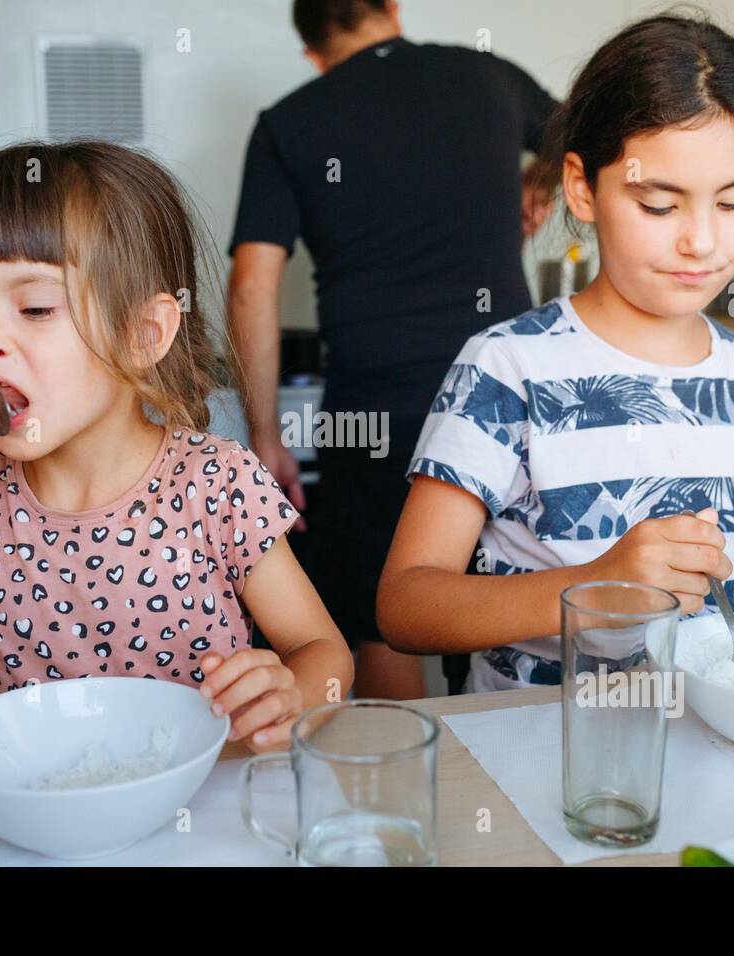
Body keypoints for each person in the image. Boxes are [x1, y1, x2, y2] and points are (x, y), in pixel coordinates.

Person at [0, 141, 352, 749]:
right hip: (19, 829)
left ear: (144, 334)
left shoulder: (215, 483)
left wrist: (290, 695)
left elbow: (324, 653)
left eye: (34, 307)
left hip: (190, 814)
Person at [377, 14, 734, 692]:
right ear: (582, 188)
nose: (702, 241)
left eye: (733, 201)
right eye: (658, 206)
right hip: (541, 759)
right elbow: (406, 605)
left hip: (724, 752)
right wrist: (596, 587)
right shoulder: (508, 368)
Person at [228, 0, 556, 698]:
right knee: (516, 591)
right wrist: (544, 178)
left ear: (313, 50)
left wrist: (264, 437)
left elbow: (251, 286)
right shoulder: (489, 77)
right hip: (509, 394)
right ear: (392, 9)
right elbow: (594, 135)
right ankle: (505, 789)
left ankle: (410, 795)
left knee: (384, 614)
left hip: (375, 409)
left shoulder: (290, 121)